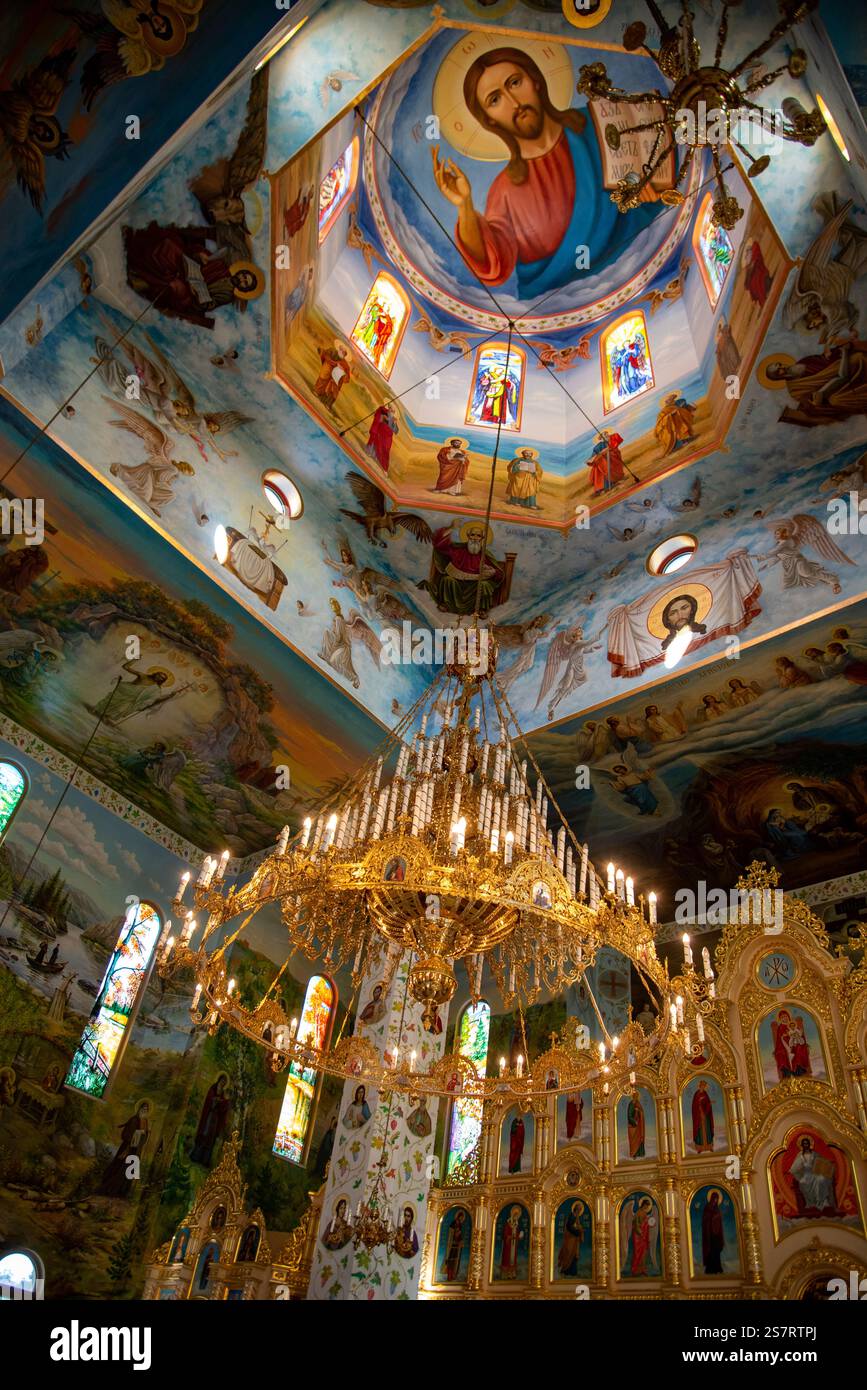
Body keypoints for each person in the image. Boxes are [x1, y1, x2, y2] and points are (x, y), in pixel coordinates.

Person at [431, 47, 658, 299]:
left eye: (515, 83)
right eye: (495, 100)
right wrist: (464, 206)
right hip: (557, 306)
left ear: (535, 81)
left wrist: (648, 191)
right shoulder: (504, 190)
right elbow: (492, 261)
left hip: (636, 272)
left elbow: (649, 167)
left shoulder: (598, 124)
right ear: (489, 119)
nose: (514, 103)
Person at [424, 521, 504, 616]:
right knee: (447, 580)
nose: (475, 538)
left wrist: (493, 571)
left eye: (478, 536)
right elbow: (439, 545)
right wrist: (451, 527)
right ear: (468, 536)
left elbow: (499, 574)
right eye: (472, 535)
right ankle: (447, 605)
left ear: (482, 539)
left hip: (475, 586)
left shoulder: (485, 556)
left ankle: (481, 610)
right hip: (457, 583)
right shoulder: (458, 550)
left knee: (485, 585)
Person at [98, 1101, 150, 1197]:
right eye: (143, 1108)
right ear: (139, 1109)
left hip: (136, 1150)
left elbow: (145, 1136)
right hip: (128, 1147)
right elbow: (126, 1134)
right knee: (119, 1167)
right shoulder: (134, 1119)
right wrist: (134, 1136)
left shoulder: (145, 1122)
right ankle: (109, 1189)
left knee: (129, 1170)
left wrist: (144, 1135)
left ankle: (122, 1191)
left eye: (146, 1109)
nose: (144, 1111)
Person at [190, 1074, 231, 1167]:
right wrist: (214, 1100)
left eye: (225, 1082)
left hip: (215, 1119)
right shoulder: (213, 1088)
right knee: (204, 1135)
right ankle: (196, 1156)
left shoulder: (223, 1093)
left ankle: (205, 1160)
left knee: (211, 1139)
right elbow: (209, 1100)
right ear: (219, 1080)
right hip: (209, 1116)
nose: (223, 1083)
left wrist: (225, 1103)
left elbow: (223, 1107)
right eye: (222, 1081)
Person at [789, 1136, 837, 1214]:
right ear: (802, 1145)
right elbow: (794, 1168)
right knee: (804, 1182)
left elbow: (822, 1163)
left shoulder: (814, 1154)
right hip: (806, 1175)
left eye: (807, 1143)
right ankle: (811, 1203)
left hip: (816, 1173)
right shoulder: (800, 1156)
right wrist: (799, 1177)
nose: (806, 1145)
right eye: (804, 1144)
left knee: (821, 1180)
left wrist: (827, 1165)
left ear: (809, 1144)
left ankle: (822, 1202)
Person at [365, 403, 399, 473]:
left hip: (387, 437)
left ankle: (384, 467)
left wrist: (394, 424)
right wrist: (382, 416)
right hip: (380, 433)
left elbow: (396, 431)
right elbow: (379, 419)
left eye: (393, 411)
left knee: (385, 450)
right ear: (389, 409)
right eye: (390, 409)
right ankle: (371, 454)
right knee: (376, 442)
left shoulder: (394, 420)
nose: (391, 412)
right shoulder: (384, 414)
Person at [557, 1200, 585, 1277]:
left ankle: (572, 1272)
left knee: (574, 1255)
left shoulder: (576, 1217)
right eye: (578, 1210)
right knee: (569, 1253)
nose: (579, 1211)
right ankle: (566, 1270)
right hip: (570, 1239)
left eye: (580, 1210)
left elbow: (576, 1226)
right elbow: (569, 1227)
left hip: (574, 1240)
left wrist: (579, 1230)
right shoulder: (572, 1216)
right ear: (575, 1209)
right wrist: (578, 1231)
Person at [701, 1190, 726, 1274]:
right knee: (711, 1251)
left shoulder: (717, 1209)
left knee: (716, 1252)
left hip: (717, 1234)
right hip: (710, 1235)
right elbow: (706, 1219)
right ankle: (710, 1268)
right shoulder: (707, 1207)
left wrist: (717, 1216)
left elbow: (719, 1222)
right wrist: (713, 1217)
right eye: (714, 1198)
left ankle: (717, 1267)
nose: (715, 1200)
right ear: (711, 1198)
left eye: (717, 1199)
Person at [441, 1208, 467, 1282]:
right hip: (452, 1245)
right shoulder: (453, 1224)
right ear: (458, 1217)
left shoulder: (460, 1225)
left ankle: (452, 1276)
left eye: (462, 1218)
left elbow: (459, 1235)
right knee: (450, 1261)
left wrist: (461, 1241)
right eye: (460, 1217)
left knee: (454, 1261)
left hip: (456, 1246)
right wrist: (456, 1234)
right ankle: (449, 1276)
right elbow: (451, 1234)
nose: (461, 1219)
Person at [499, 1205, 524, 1279]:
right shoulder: (508, 1224)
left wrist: (520, 1235)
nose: (516, 1217)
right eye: (515, 1215)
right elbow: (505, 1234)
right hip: (508, 1245)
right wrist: (509, 1237)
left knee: (513, 1259)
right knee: (507, 1258)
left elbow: (517, 1234)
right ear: (512, 1215)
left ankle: (512, 1273)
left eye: (517, 1216)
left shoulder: (517, 1225)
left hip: (513, 1244)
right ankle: (506, 1274)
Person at [691, 1079, 715, 1154]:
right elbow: (694, 1105)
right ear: (700, 1086)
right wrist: (699, 1109)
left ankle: (709, 1146)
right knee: (700, 1130)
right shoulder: (696, 1094)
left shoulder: (705, 1093)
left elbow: (707, 1103)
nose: (703, 1087)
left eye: (704, 1086)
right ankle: (700, 1147)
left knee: (707, 1130)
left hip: (705, 1115)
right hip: (698, 1116)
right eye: (702, 1086)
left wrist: (709, 1104)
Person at [313, 1116, 337, 1181]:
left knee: (323, 1164)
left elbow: (332, 1141)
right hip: (324, 1151)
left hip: (326, 1152)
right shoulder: (330, 1132)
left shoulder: (331, 1133)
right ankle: (318, 1173)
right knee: (321, 1162)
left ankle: (320, 1174)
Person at [627, 1089, 646, 1159]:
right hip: (633, 1125)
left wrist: (639, 1111)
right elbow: (629, 1115)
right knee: (633, 1140)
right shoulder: (631, 1104)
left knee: (639, 1138)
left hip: (639, 1125)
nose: (636, 1097)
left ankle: (640, 1153)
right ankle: (634, 1154)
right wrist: (634, 1121)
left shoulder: (638, 1103)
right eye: (634, 1096)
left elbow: (641, 1112)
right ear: (633, 1096)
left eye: (636, 1096)